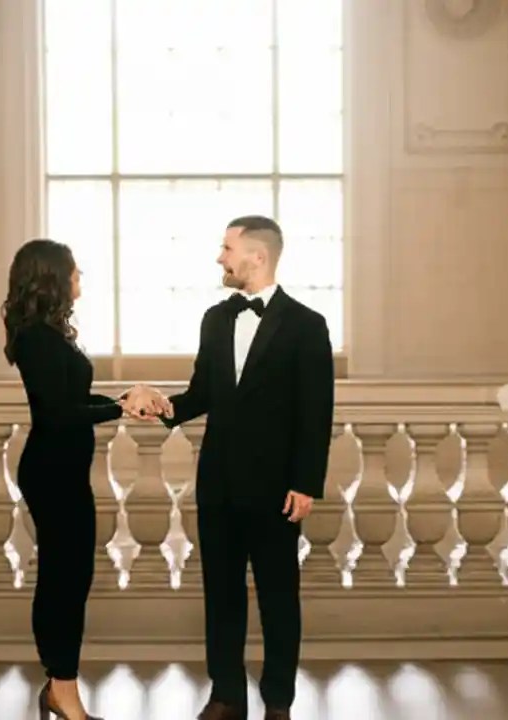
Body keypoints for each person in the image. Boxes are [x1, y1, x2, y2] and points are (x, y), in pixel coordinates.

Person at [129, 216, 335, 720]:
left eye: (227, 248)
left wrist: (305, 484)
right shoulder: (215, 319)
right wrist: (162, 406)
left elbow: (316, 411)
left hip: (277, 489)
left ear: (257, 257)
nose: (220, 257)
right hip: (218, 483)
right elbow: (202, 393)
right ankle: (225, 696)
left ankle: (278, 702)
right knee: (221, 595)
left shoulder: (307, 325)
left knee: (279, 599)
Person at [2, 239, 167, 720]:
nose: (80, 278)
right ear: (52, 278)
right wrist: (120, 408)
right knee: (64, 581)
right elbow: (57, 414)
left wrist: (122, 402)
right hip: (51, 473)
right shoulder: (36, 337)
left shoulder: (49, 334)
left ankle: (59, 686)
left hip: (65, 471)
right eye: (74, 271)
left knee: (70, 578)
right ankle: (63, 691)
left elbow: (71, 399)